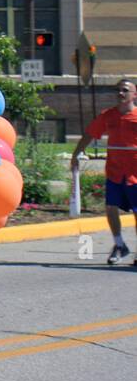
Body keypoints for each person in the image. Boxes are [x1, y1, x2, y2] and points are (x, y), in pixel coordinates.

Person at [71, 78, 137, 265]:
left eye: (125, 90)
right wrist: (77, 153)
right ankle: (119, 245)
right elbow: (90, 134)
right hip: (115, 172)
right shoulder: (108, 116)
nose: (121, 94)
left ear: (134, 94)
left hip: (135, 174)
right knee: (110, 207)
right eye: (118, 90)